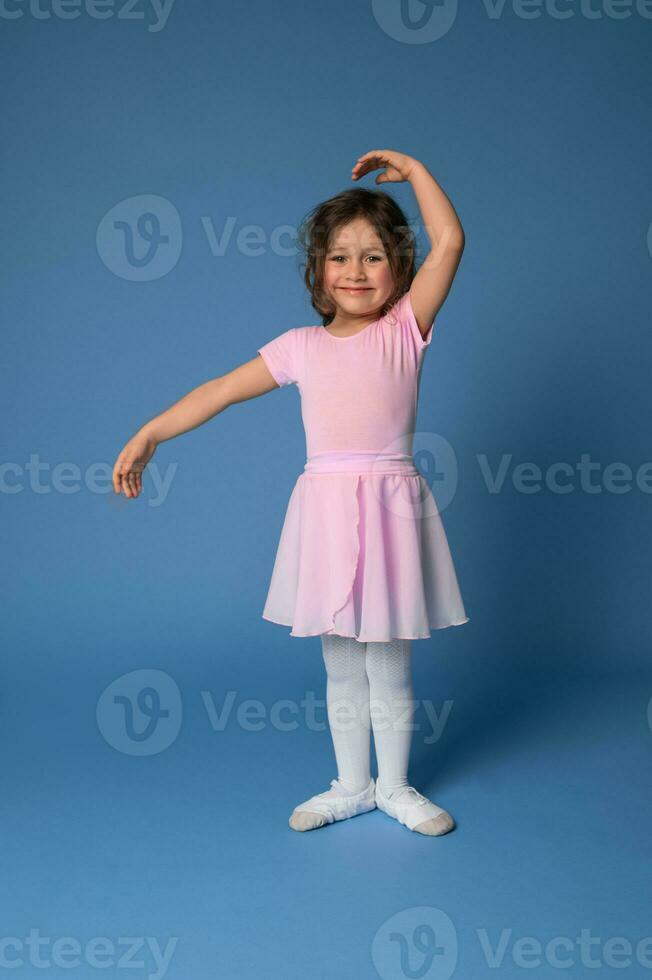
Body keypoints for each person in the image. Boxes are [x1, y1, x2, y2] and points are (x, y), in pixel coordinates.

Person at [112, 149, 469, 837]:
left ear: (398, 266)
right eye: (341, 257)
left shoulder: (405, 331)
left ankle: (395, 788)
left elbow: (450, 239)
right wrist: (152, 432)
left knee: (389, 663)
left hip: (392, 508)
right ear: (318, 271)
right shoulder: (300, 346)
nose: (357, 271)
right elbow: (219, 390)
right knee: (341, 663)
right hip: (328, 511)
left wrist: (419, 171)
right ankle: (350, 784)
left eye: (373, 256)